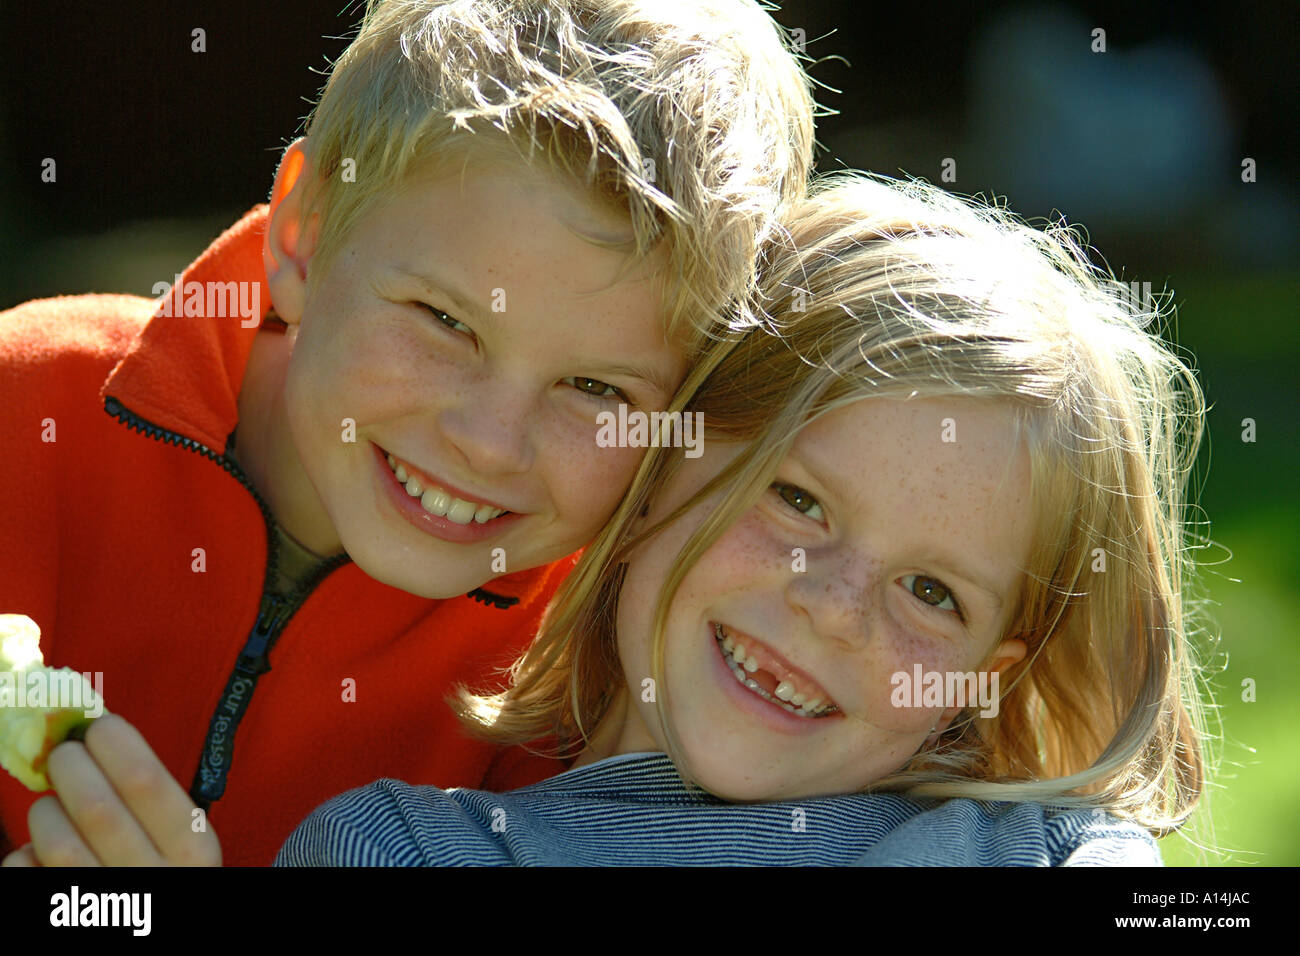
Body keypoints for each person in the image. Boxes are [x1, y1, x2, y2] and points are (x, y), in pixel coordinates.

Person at [0, 0, 815, 865]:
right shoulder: (27, 408)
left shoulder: (593, 677)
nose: (490, 443)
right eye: (444, 321)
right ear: (304, 235)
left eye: (594, 388)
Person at [277, 173, 1211, 865]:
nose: (837, 608)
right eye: (798, 501)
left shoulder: (1044, 855)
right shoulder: (403, 850)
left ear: (979, 679)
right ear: (652, 474)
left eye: (933, 594)